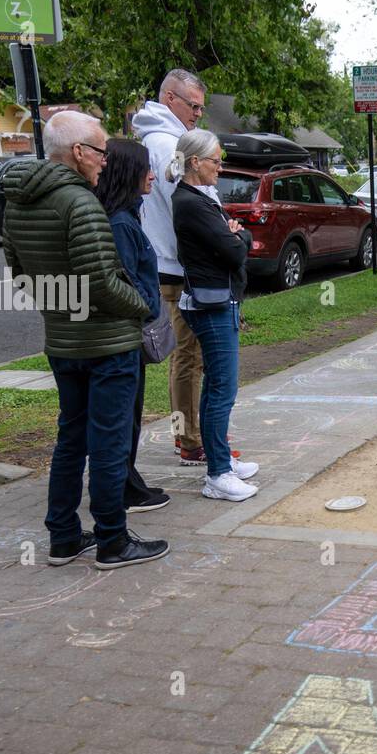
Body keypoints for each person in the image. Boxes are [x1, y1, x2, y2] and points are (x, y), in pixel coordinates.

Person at [0, 110, 168, 569]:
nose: (105, 161)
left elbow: (22, 276)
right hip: (108, 346)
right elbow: (100, 282)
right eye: (100, 151)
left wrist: (62, 308)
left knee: (70, 439)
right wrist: (143, 306)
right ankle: (113, 541)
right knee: (109, 444)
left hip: (62, 343)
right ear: (78, 153)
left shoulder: (18, 203)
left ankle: (64, 538)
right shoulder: (79, 203)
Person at [134, 69, 237, 468]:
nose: (197, 113)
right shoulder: (166, 144)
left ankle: (195, 435)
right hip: (176, 268)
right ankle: (191, 439)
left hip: (175, 263)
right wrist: (222, 235)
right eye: (192, 105)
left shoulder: (162, 139)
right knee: (188, 357)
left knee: (191, 356)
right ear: (170, 99)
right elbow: (188, 202)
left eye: (200, 107)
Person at [169, 128, 259, 502]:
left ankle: (220, 460)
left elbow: (237, 240)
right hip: (211, 304)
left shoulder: (202, 197)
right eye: (215, 161)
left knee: (216, 389)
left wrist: (237, 235)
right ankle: (218, 474)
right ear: (195, 163)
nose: (220, 168)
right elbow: (236, 250)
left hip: (219, 299)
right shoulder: (190, 201)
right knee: (223, 389)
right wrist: (237, 237)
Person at [95, 138, 170, 514]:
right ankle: (122, 489)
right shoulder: (121, 223)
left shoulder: (128, 214)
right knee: (125, 417)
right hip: (125, 335)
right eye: (146, 168)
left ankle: (128, 480)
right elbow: (124, 280)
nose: (153, 175)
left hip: (128, 332)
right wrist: (148, 306)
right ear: (130, 173)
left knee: (130, 416)